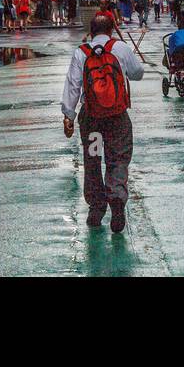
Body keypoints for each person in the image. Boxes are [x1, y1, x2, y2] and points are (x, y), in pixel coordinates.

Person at [61, 15, 145, 233]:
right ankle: (116, 196)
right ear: (111, 31)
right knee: (118, 157)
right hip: (117, 118)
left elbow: (73, 85)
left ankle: (96, 207)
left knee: (93, 159)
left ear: (90, 31)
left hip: (92, 120)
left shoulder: (81, 52)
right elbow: (138, 73)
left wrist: (68, 116)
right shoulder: (121, 48)